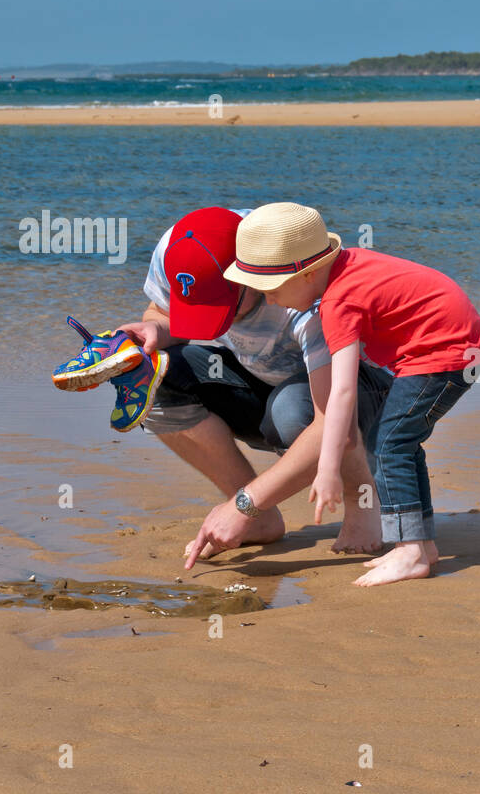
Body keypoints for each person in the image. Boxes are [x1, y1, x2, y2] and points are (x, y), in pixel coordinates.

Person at [222, 202, 480, 586]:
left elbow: (343, 392)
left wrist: (329, 468)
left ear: (306, 272)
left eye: (272, 289)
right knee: (400, 442)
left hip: (445, 352)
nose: (269, 301)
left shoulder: (337, 304)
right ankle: (421, 545)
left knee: (390, 443)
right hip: (455, 344)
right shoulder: (347, 266)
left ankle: (411, 550)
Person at [111, 206, 391, 562]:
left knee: (291, 413)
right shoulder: (179, 249)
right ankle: (260, 520)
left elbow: (334, 421)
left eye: (223, 306)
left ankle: (362, 501)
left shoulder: (305, 291)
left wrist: (243, 506)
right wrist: (156, 331)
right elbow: (162, 314)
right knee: (149, 374)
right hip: (262, 379)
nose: (216, 322)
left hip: (359, 393)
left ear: (250, 275)